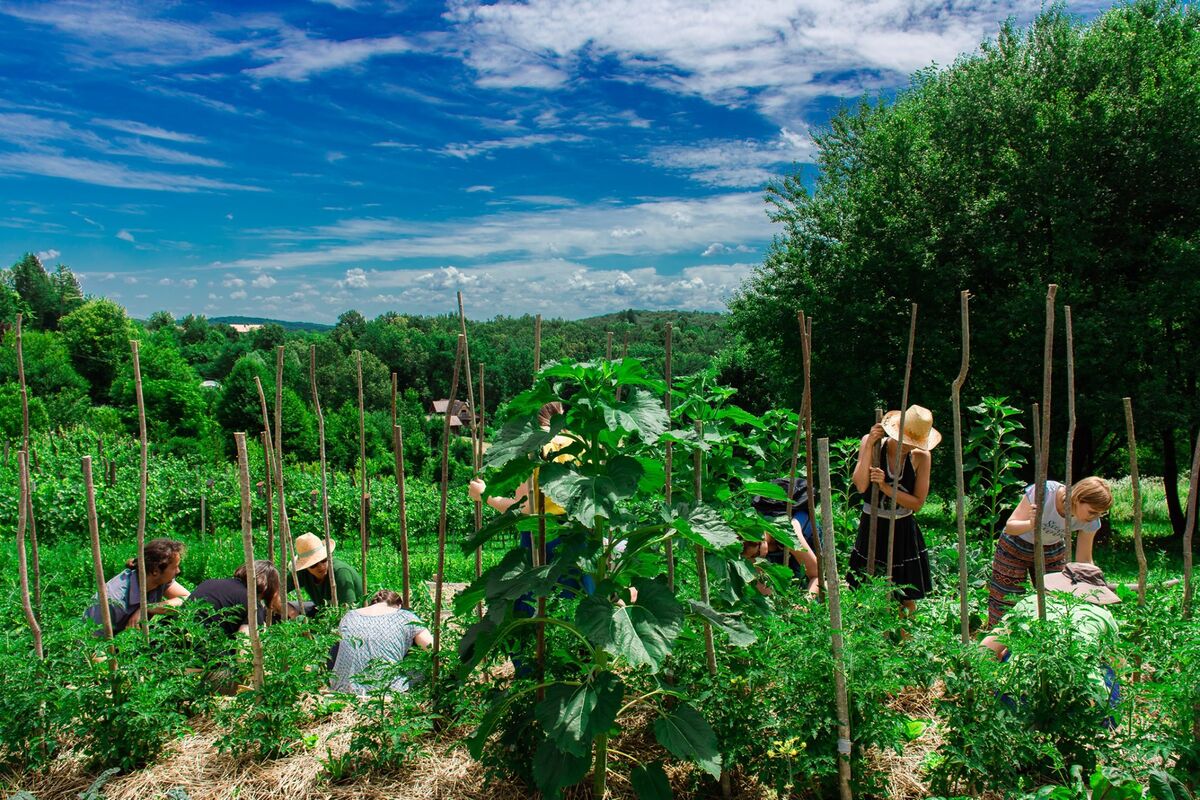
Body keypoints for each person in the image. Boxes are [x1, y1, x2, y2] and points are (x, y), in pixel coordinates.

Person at [981, 562, 1122, 715]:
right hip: (1080, 701)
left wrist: (989, 682)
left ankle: (1009, 715)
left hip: (1019, 695)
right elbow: (1119, 665)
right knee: (1107, 669)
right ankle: (1104, 724)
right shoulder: (1103, 615)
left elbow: (986, 649)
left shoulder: (1031, 602)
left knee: (1012, 651)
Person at [987, 476, 1113, 628]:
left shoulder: (1091, 521)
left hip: (1051, 550)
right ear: (1078, 498)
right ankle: (996, 645)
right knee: (1006, 600)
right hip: (1015, 546)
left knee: (1056, 599)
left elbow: (1084, 560)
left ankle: (1043, 641)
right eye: (1092, 512)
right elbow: (1011, 527)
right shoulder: (1045, 492)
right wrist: (1031, 524)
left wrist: (1096, 589)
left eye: (1100, 513)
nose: (1095, 517)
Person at [849, 405, 938, 613]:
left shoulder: (921, 457)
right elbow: (861, 485)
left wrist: (886, 488)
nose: (908, 446)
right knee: (865, 588)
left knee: (905, 595)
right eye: (905, 440)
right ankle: (870, 637)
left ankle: (904, 641)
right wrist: (869, 444)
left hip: (903, 527)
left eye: (913, 442)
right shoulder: (873, 443)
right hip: (873, 524)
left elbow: (917, 504)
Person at [330, 589, 432, 696]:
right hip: (387, 690)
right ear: (399, 606)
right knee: (420, 658)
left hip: (342, 688)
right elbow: (432, 649)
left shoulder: (349, 616)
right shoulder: (405, 616)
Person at [85, 538, 189, 634]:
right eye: (175, 567)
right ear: (155, 571)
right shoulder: (112, 601)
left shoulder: (160, 580)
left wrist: (146, 608)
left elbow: (187, 598)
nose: (178, 571)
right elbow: (93, 646)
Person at [749, 477, 821, 596]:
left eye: (755, 555)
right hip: (779, 547)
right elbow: (764, 591)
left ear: (759, 539)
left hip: (808, 535)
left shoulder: (789, 535)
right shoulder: (750, 545)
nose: (754, 559)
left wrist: (806, 603)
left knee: (805, 579)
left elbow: (817, 575)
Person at [188, 560, 280, 638]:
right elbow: (244, 650)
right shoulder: (252, 603)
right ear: (269, 588)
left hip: (178, 641)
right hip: (204, 650)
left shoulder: (209, 583)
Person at [289, 532, 364, 614]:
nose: (321, 567)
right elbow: (276, 588)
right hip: (324, 611)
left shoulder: (340, 573)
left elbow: (347, 613)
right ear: (305, 566)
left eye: (324, 560)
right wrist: (291, 612)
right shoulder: (302, 572)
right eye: (313, 565)